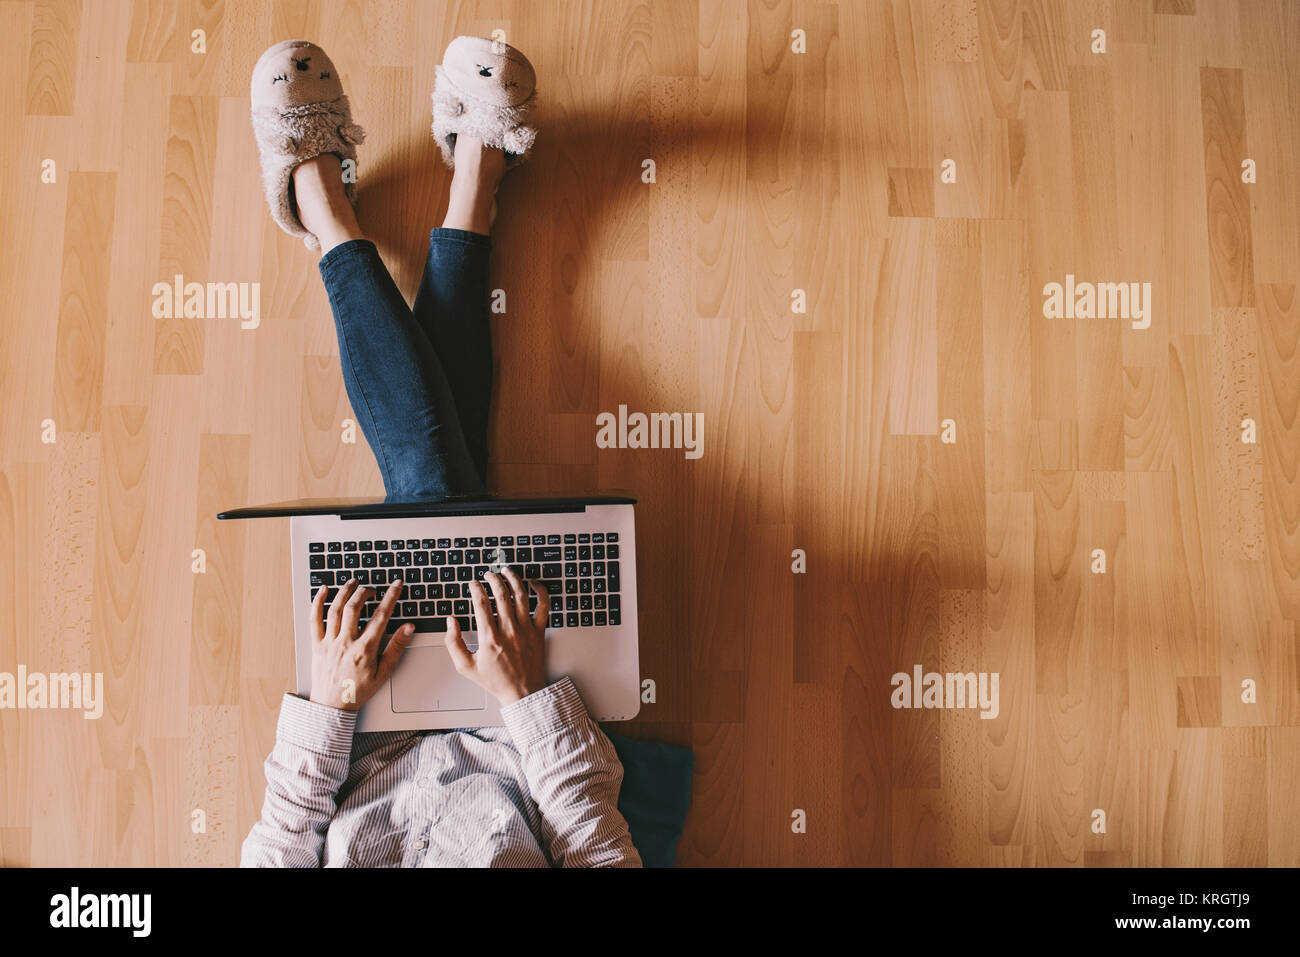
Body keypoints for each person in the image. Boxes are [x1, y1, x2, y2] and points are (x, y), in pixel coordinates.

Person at [240, 38, 641, 867]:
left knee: (434, 483)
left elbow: (276, 851)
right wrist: (525, 697)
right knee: (440, 485)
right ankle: (369, 199)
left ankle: (366, 198)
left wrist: (330, 701)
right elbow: (602, 850)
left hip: (365, 718)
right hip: (512, 731)